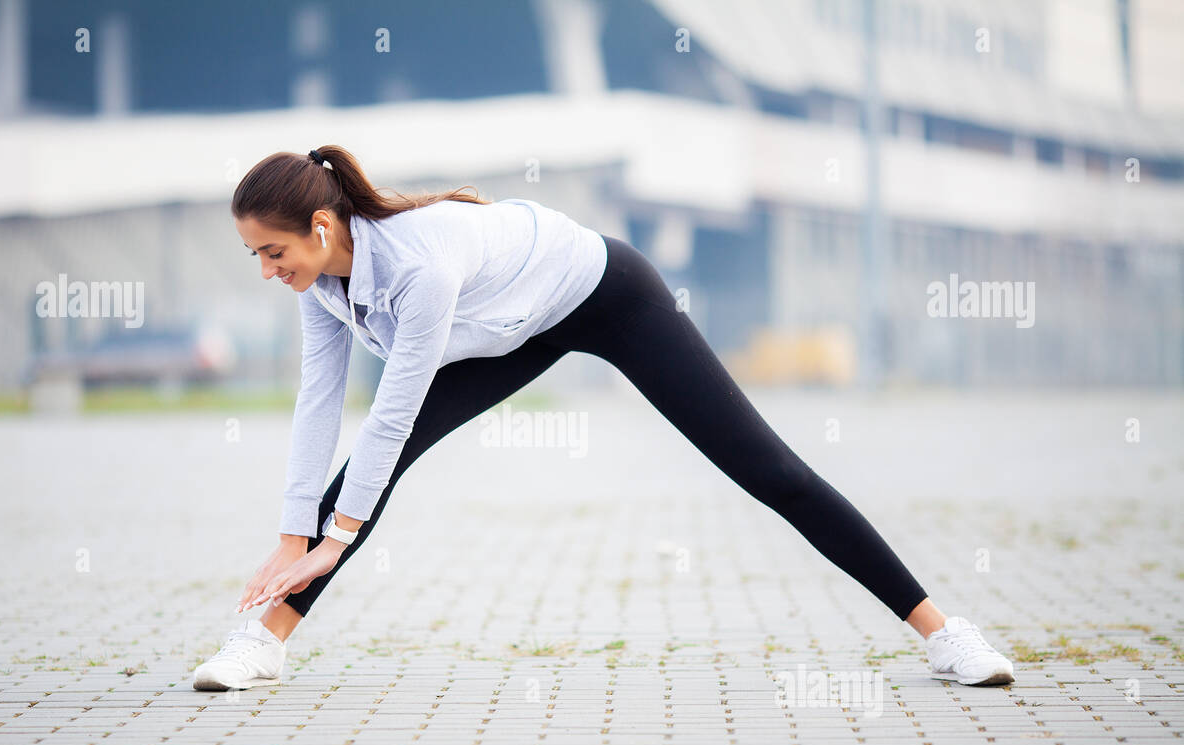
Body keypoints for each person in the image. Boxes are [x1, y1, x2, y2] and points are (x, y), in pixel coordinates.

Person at [193, 145, 1014, 691]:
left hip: (604, 293)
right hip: (513, 325)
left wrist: (334, 535)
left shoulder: (419, 267)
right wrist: (296, 536)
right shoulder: (322, 285)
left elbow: (389, 410)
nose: (268, 271)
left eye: (274, 253)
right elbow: (318, 403)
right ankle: (263, 642)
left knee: (770, 470)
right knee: (360, 480)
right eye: (256, 257)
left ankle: (945, 634)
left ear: (321, 226)